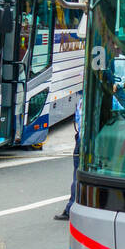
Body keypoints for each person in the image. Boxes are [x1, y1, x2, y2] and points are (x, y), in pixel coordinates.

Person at [55, 91, 82, 221]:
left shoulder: (84, 102)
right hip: (86, 141)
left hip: (83, 141)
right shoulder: (106, 99)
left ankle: (71, 209)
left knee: (78, 175)